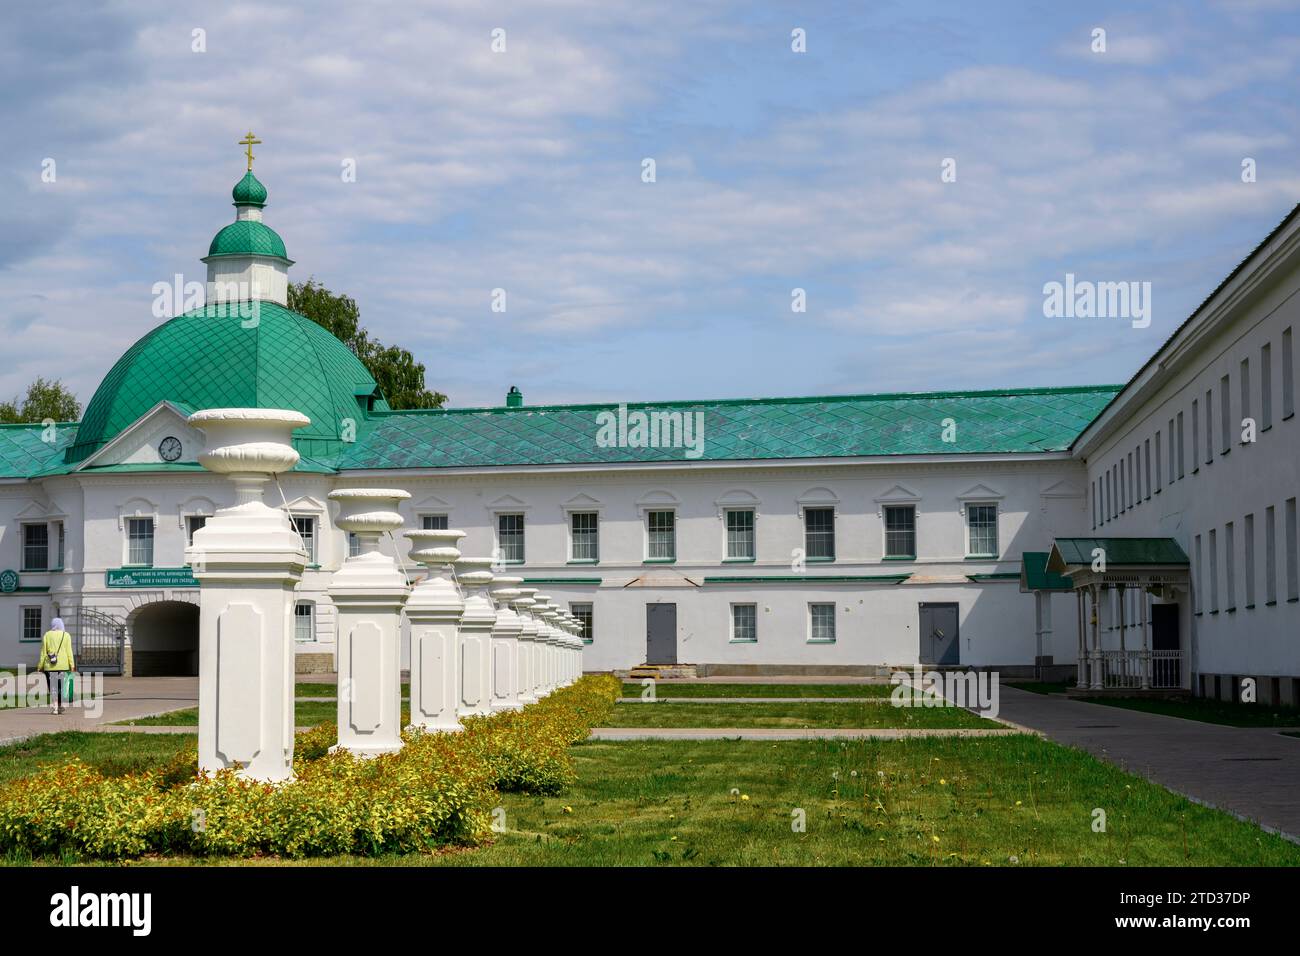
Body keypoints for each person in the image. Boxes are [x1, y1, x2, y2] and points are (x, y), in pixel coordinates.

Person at [37, 617, 75, 715]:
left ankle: (55, 708)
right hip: (63, 665)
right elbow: (69, 651)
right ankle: (62, 705)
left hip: (49, 666)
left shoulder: (47, 635)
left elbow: (43, 652)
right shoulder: (66, 635)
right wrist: (72, 665)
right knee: (63, 686)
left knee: (53, 687)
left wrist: (40, 665)